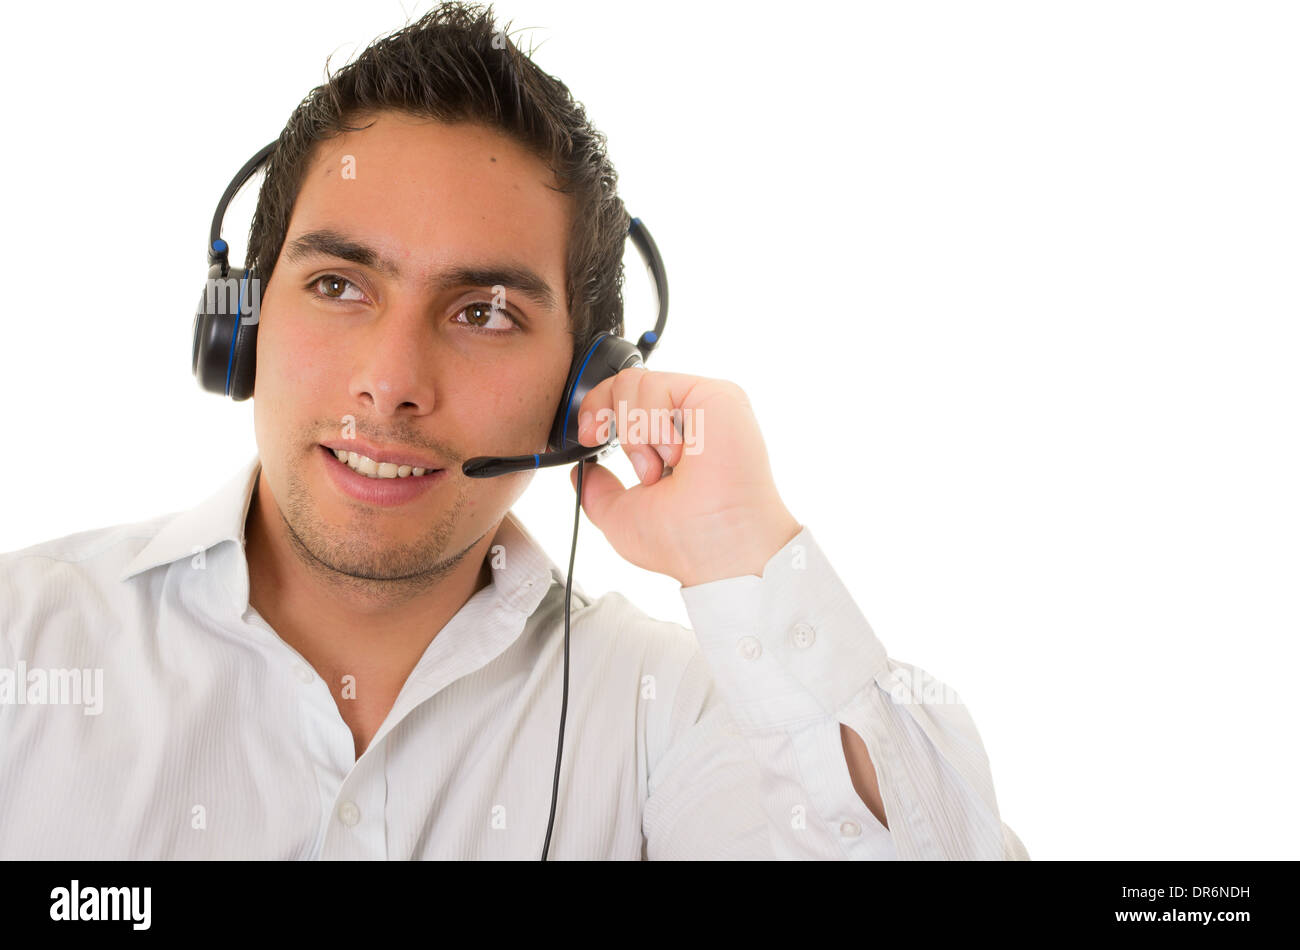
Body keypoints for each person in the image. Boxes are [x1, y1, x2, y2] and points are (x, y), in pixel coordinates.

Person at [0, 0, 1027, 860]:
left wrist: (741, 552)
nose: (391, 383)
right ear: (245, 325)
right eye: (339, 283)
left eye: (483, 310)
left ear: (588, 384)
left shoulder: (678, 715)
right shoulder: (22, 644)